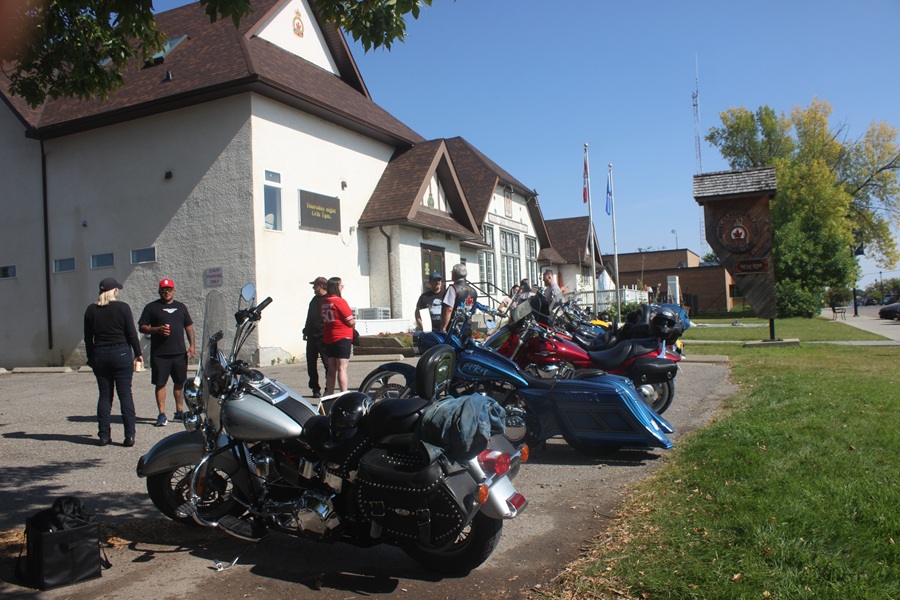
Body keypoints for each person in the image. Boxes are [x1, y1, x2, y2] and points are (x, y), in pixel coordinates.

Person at [83, 277, 142, 447]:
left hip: (100, 354)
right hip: (121, 353)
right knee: (125, 395)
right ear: (114, 291)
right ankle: (129, 435)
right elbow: (131, 333)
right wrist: (138, 353)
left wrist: (91, 358)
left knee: (104, 396)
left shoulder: (91, 310)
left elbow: (88, 338)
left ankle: (103, 436)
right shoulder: (123, 308)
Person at [138, 278, 195, 427]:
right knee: (160, 383)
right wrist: (156, 330)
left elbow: (188, 327)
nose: (166, 292)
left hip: (179, 353)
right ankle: (162, 414)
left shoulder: (181, 307)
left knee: (179, 383)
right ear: (159, 291)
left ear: (174, 291)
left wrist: (192, 346)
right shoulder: (151, 307)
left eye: (169, 289)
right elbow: (142, 327)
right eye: (163, 290)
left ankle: (179, 412)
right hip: (160, 354)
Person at [321, 276, 356, 395]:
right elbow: (350, 321)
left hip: (329, 336)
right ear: (337, 287)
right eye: (341, 286)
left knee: (331, 368)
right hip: (342, 336)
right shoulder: (339, 301)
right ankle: (343, 394)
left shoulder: (325, 302)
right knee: (342, 367)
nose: (342, 288)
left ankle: (329, 394)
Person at [303, 276, 329, 398]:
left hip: (324, 337)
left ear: (321, 286)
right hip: (312, 337)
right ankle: (315, 388)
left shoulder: (329, 299)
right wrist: (305, 331)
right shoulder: (314, 300)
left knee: (328, 364)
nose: (313, 288)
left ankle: (329, 388)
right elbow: (309, 317)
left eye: (315, 286)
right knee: (311, 364)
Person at [440, 263, 478, 333]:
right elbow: (474, 310)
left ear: (454, 274)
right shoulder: (473, 290)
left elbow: (448, 310)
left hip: (453, 328)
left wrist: (443, 328)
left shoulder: (453, 288)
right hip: (467, 327)